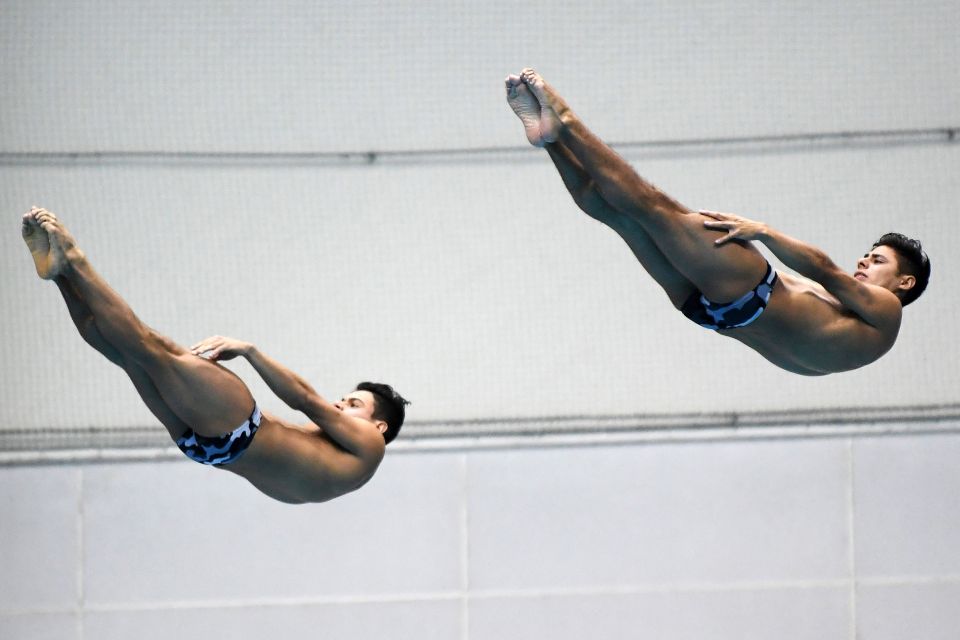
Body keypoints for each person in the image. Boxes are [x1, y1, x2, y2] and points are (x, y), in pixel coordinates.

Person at [505, 69, 930, 375]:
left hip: (749, 292)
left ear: (904, 282)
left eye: (877, 260)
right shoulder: (860, 335)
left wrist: (762, 231)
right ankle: (550, 141)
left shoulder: (887, 310)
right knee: (619, 216)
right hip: (713, 314)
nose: (863, 261)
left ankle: (567, 122)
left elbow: (823, 268)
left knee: (648, 204)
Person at [21, 206, 408, 503]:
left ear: (379, 427)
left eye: (353, 403)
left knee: (146, 344)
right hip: (206, 448)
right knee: (127, 355)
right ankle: (61, 277)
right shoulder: (337, 460)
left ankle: (75, 259)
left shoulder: (370, 447)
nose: (339, 405)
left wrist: (251, 351)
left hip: (237, 432)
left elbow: (306, 399)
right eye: (344, 398)